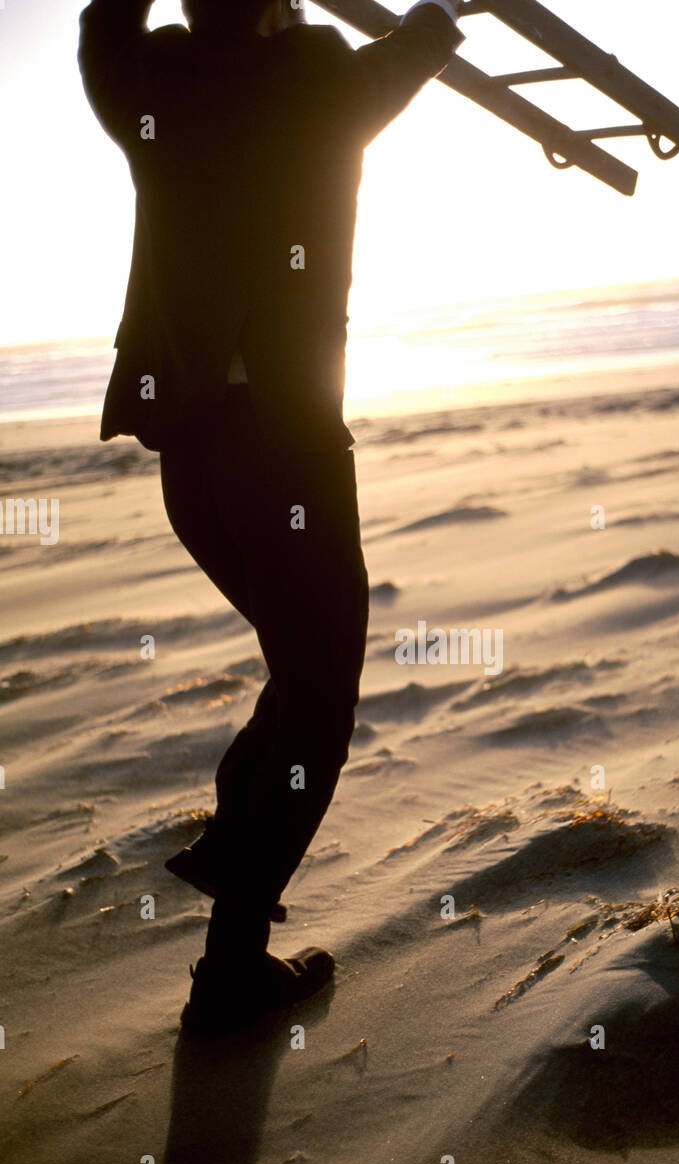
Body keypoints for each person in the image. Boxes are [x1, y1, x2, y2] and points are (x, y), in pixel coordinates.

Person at [78, 0, 464, 1036]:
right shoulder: (316, 83)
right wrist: (442, 17)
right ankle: (231, 967)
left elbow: (107, 22)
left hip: (191, 460)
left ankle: (230, 901)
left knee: (299, 678)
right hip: (280, 457)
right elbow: (407, 60)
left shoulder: (145, 86)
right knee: (319, 700)